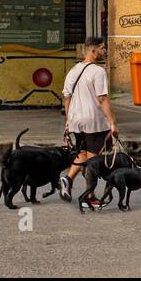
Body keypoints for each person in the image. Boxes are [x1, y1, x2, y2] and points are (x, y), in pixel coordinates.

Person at [59, 37, 118, 204]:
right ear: (93, 51)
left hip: (76, 120)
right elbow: (102, 98)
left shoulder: (73, 70)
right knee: (93, 161)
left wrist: (68, 120)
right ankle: (89, 197)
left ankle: (68, 180)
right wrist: (113, 122)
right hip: (94, 121)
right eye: (102, 48)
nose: (105, 51)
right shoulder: (98, 72)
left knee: (82, 153)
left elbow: (66, 97)